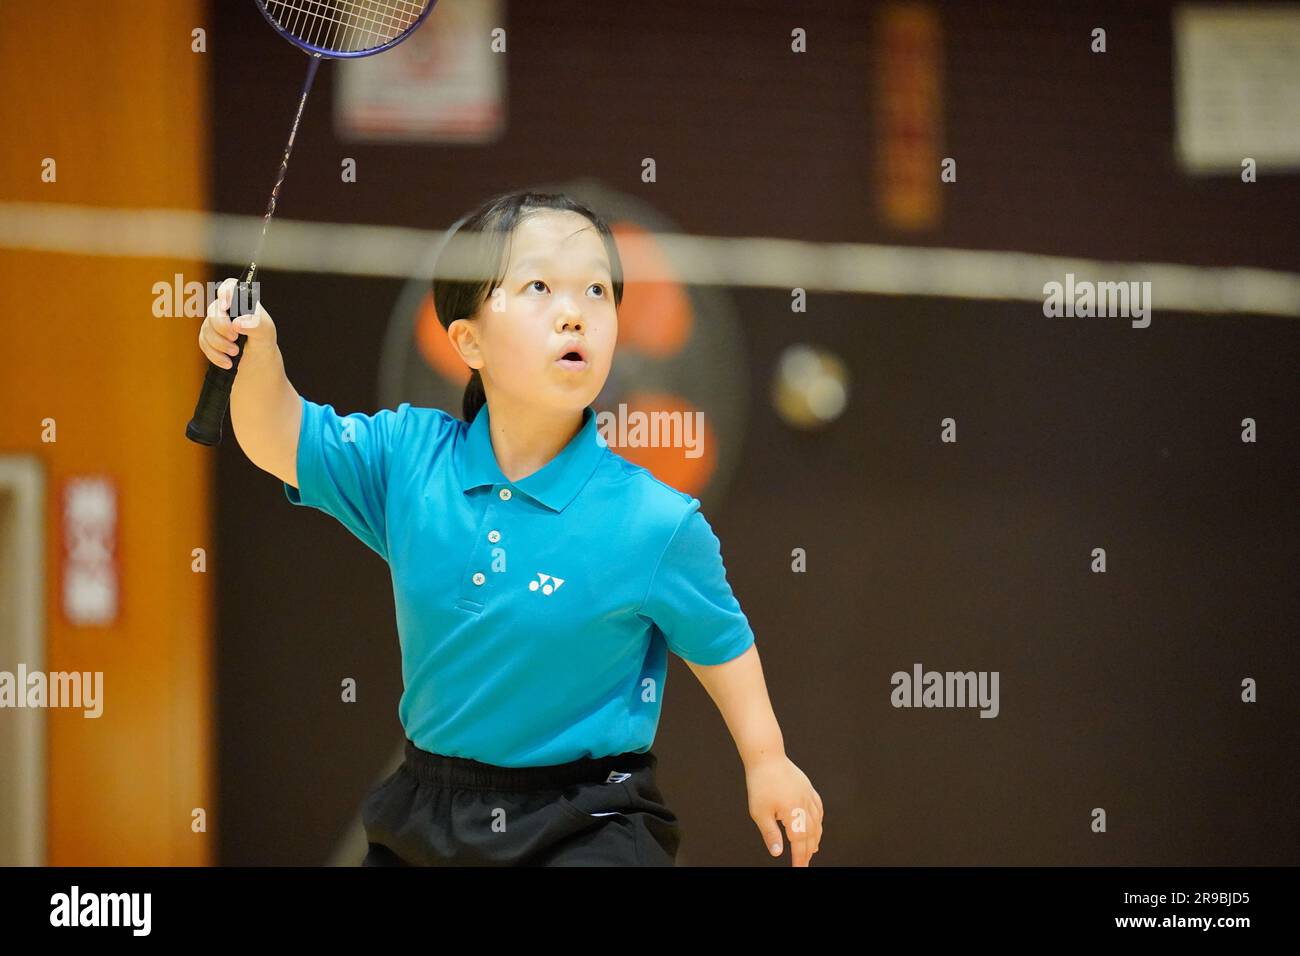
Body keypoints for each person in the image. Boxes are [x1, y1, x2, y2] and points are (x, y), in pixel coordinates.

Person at [198, 189, 824, 865]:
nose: (574, 314)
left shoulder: (652, 520)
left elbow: (720, 641)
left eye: (596, 291)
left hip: (588, 816)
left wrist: (767, 759)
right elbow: (279, 436)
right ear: (467, 339)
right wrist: (256, 353)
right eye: (539, 286)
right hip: (429, 809)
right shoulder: (409, 460)